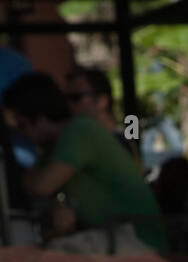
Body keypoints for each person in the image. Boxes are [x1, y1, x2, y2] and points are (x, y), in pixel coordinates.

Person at [2, 72, 165, 249]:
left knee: (48, 258)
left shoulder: (81, 130)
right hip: (113, 235)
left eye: (76, 98)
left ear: (39, 118)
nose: (67, 104)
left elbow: (40, 186)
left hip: (133, 238)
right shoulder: (58, 144)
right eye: (65, 97)